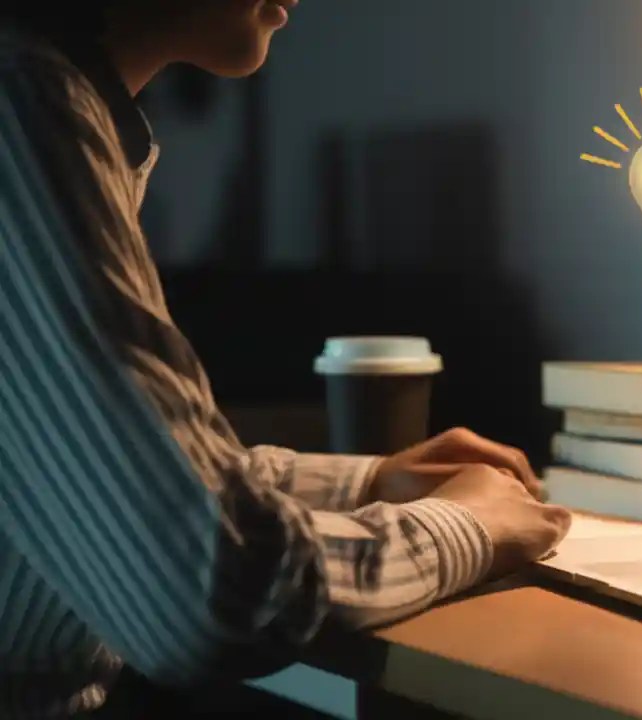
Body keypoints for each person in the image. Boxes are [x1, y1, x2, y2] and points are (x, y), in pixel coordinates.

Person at [0, 1, 572, 717]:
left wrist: (371, 481)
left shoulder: (54, 103)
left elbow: (90, 478)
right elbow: (202, 591)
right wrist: (464, 527)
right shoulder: (23, 106)